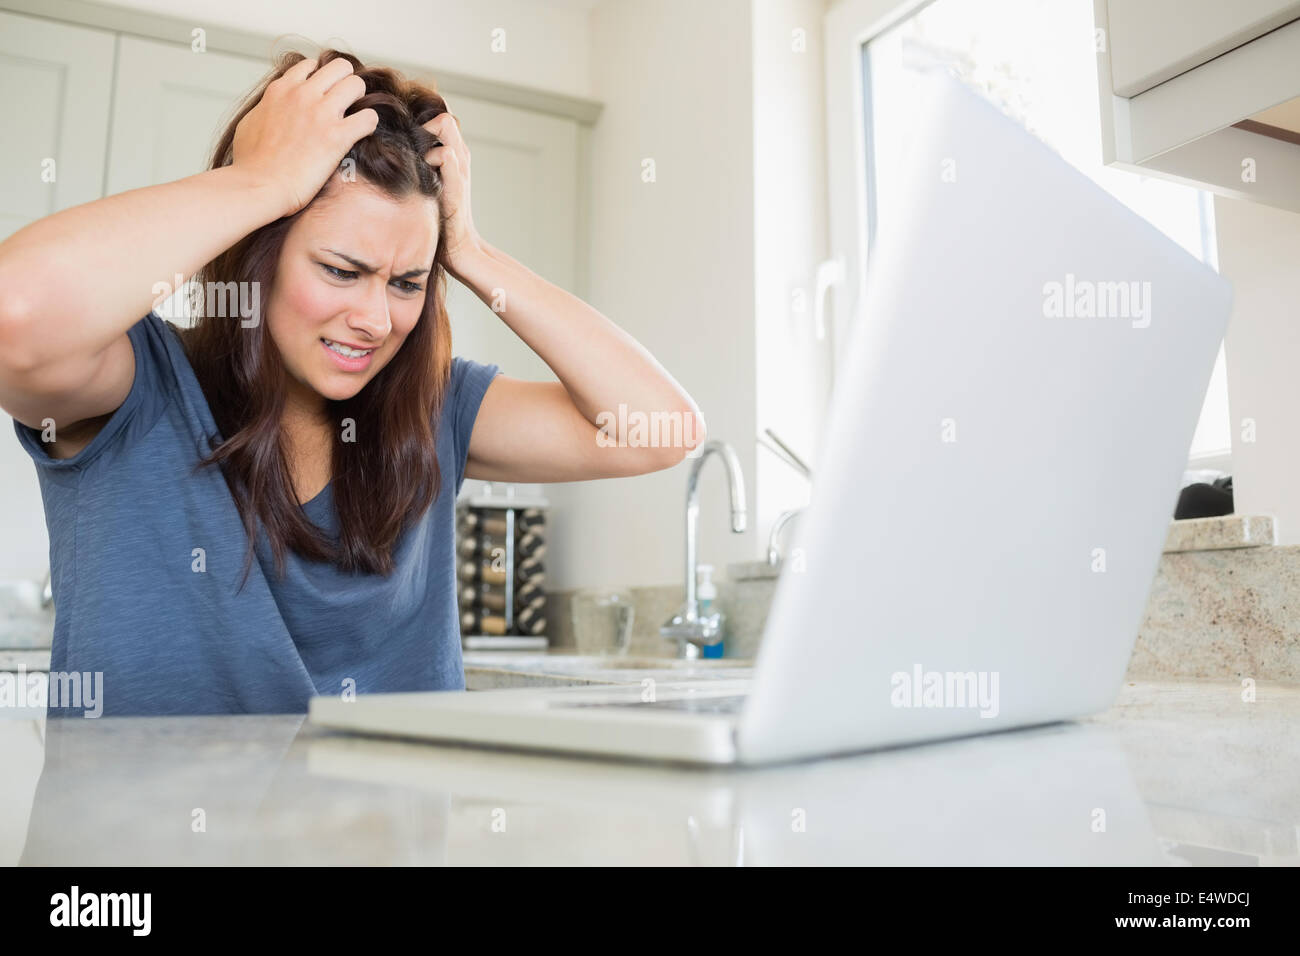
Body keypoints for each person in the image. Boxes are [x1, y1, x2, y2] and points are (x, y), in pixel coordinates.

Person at [0, 49, 704, 717]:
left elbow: (663, 431)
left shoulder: (434, 409)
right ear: (258, 250)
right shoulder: (136, 390)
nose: (374, 319)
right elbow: (15, 314)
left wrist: (472, 250)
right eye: (341, 270)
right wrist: (261, 182)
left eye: (406, 283)